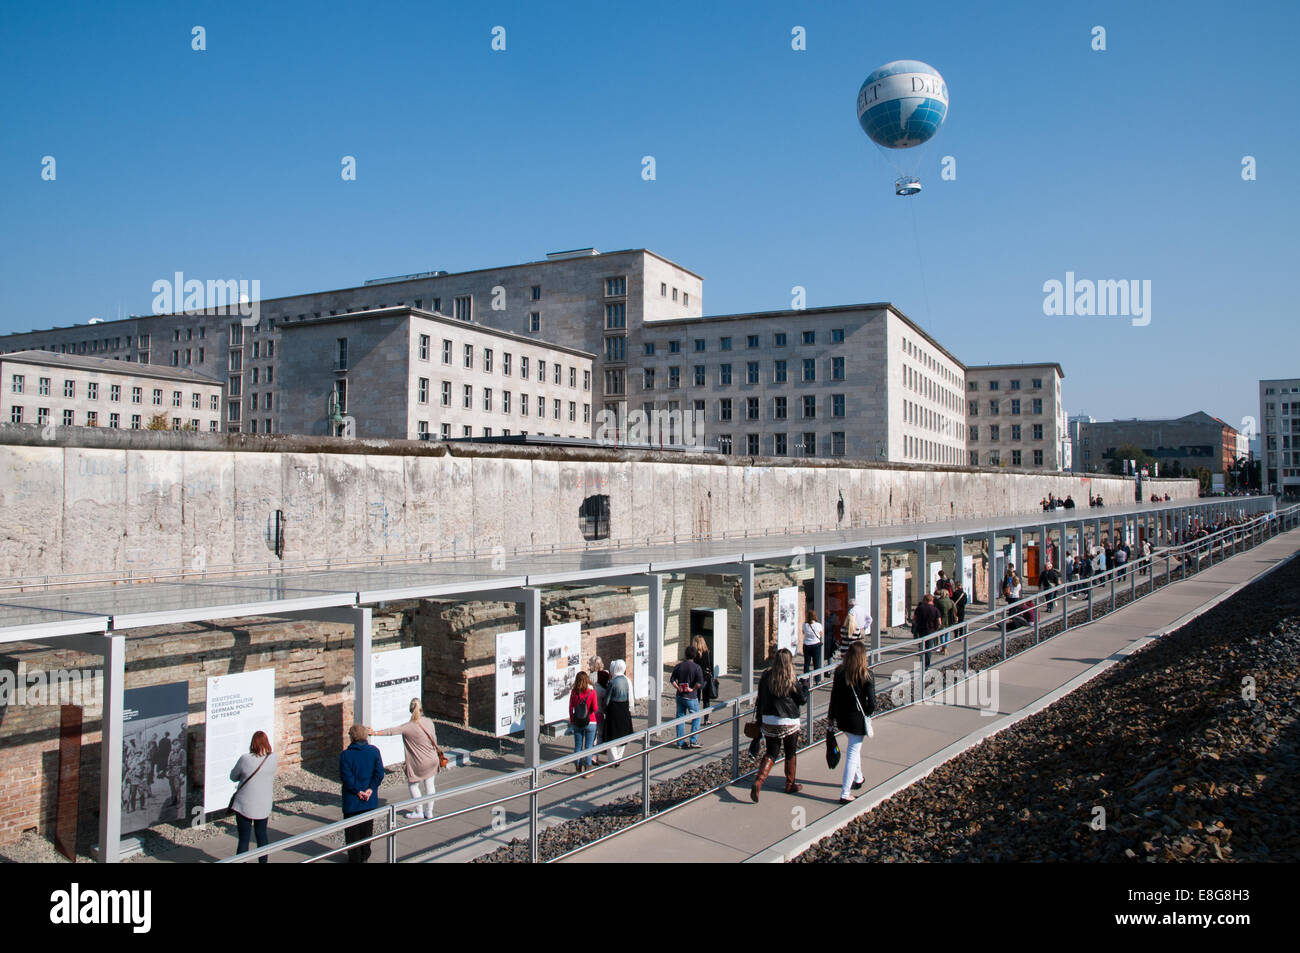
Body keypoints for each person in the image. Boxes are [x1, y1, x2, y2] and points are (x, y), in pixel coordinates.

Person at [750, 649, 808, 803]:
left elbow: (760, 698)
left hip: (769, 720)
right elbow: (802, 699)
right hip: (789, 721)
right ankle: (790, 784)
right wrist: (805, 687)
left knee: (771, 752)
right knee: (790, 752)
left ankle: (759, 781)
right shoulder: (792, 677)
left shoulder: (766, 676)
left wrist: (759, 719)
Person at [372, 698, 444, 820]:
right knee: (430, 785)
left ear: (410, 710)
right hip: (432, 759)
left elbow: (390, 731)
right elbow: (435, 741)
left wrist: (374, 733)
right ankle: (429, 812)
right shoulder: (429, 722)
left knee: (413, 785)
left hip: (419, 763)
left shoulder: (407, 727)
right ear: (421, 709)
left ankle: (419, 811)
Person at [828, 642, 876, 803]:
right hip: (856, 720)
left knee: (854, 748)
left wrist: (831, 717)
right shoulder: (866, 675)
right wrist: (867, 713)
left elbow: (834, 697)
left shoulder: (840, 672)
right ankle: (845, 793)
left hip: (842, 718)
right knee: (853, 753)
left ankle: (859, 778)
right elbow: (872, 703)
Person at [339, 724, 385, 863]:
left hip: (352, 801)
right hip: (369, 799)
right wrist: (370, 789)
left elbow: (347, 777)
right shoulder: (374, 751)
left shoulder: (346, 755)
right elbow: (379, 773)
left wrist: (358, 790)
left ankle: (355, 858)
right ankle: (365, 856)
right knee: (366, 830)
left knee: (352, 833)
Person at [229, 730, 278, 862]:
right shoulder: (273, 758)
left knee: (244, 839)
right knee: (262, 836)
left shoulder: (245, 759)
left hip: (245, 805)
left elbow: (233, 777)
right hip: (263, 804)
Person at [671, 646, 705, 749]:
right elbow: (700, 684)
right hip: (691, 697)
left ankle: (680, 742)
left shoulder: (679, 666)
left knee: (680, 718)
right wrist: (692, 689)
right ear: (694, 655)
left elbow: (672, 680)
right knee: (697, 717)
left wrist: (678, 688)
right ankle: (693, 740)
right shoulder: (697, 667)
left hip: (680, 695)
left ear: (685, 654)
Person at [603, 659, 635, 762]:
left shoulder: (612, 682)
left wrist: (604, 708)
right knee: (623, 734)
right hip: (624, 709)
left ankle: (613, 759)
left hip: (613, 709)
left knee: (611, 734)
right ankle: (619, 757)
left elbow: (607, 699)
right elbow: (630, 696)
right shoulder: (627, 680)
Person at [569, 671, 600, 775]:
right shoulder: (592, 692)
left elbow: (571, 708)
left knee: (578, 746)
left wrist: (572, 720)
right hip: (590, 721)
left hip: (577, 722)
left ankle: (578, 768)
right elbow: (595, 708)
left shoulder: (574, 693)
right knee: (588, 746)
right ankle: (588, 769)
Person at [912, 593, 942, 668]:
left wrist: (917, 625)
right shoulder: (935, 609)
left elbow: (914, 619)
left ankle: (921, 664)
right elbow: (939, 622)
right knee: (929, 649)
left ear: (924, 600)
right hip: (931, 631)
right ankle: (927, 666)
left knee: (922, 648)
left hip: (921, 630)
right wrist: (936, 629)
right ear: (932, 600)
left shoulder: (919, 608)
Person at [692, 634, 715, 725]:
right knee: (706, 700)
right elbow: (711, 666)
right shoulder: (708, 653)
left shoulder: (693, 655)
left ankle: (696, 717)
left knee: (696, 699)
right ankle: (706, 719)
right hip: (706, 678)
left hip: (696, 679)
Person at [801, 609, 824, 681]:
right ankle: (817, 680)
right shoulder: (818, 625)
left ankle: (806, 679)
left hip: (806, 645)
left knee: (806, 663)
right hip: (816, 645)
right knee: (816, 663)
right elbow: (820, 635)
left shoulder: (804, 625)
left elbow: (803, 632)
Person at [165, 730, 185, 809]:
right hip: (171, 772)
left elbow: (184, 763)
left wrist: (182, 773)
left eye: (177, 744)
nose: (175, 745)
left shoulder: (182, 752)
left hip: (178, 771)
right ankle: (173, 801)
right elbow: (169, 762)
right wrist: (167, 770)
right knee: (172, 787)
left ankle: (178, 802)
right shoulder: (171, 753)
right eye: (174, 744)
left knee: (177, 787)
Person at [935, 586, 956, 654]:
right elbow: (955, 610)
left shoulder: (939, 602)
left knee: (941, 634)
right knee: (947, 634)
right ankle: (946, 647)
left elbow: (936, 611)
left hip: (941, 619)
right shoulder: (951, 601)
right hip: (949, 619)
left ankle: (943, 647)